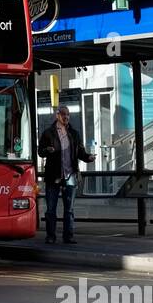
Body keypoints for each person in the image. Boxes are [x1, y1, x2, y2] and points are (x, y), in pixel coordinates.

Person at [37, 104, 95, 244]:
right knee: (51, 209)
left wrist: (88, 157)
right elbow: (40, 152)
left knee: (69, 209)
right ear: (57, 115)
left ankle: (68, 236)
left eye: (68, 114)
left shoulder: (74, 134)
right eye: (63, 114)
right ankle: (51, 236)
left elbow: (80, 152)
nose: (66, 117)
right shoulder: (48, 133)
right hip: (53, 175)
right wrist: (48, 150)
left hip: (70, 175)